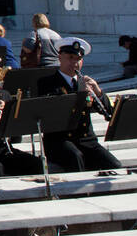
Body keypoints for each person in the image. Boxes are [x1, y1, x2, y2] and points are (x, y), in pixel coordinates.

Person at [36, 38, 121, 172]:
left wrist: (98, 93)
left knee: (115, 165)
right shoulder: (47, 83)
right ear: (60, 57)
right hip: (60, 141)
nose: (75, 63)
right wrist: (78, 96)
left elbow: (109, 112)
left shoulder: (85, 83)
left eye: (78, 59)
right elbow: (50, 110)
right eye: (70, 58)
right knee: (76, 159)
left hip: (87, 140)